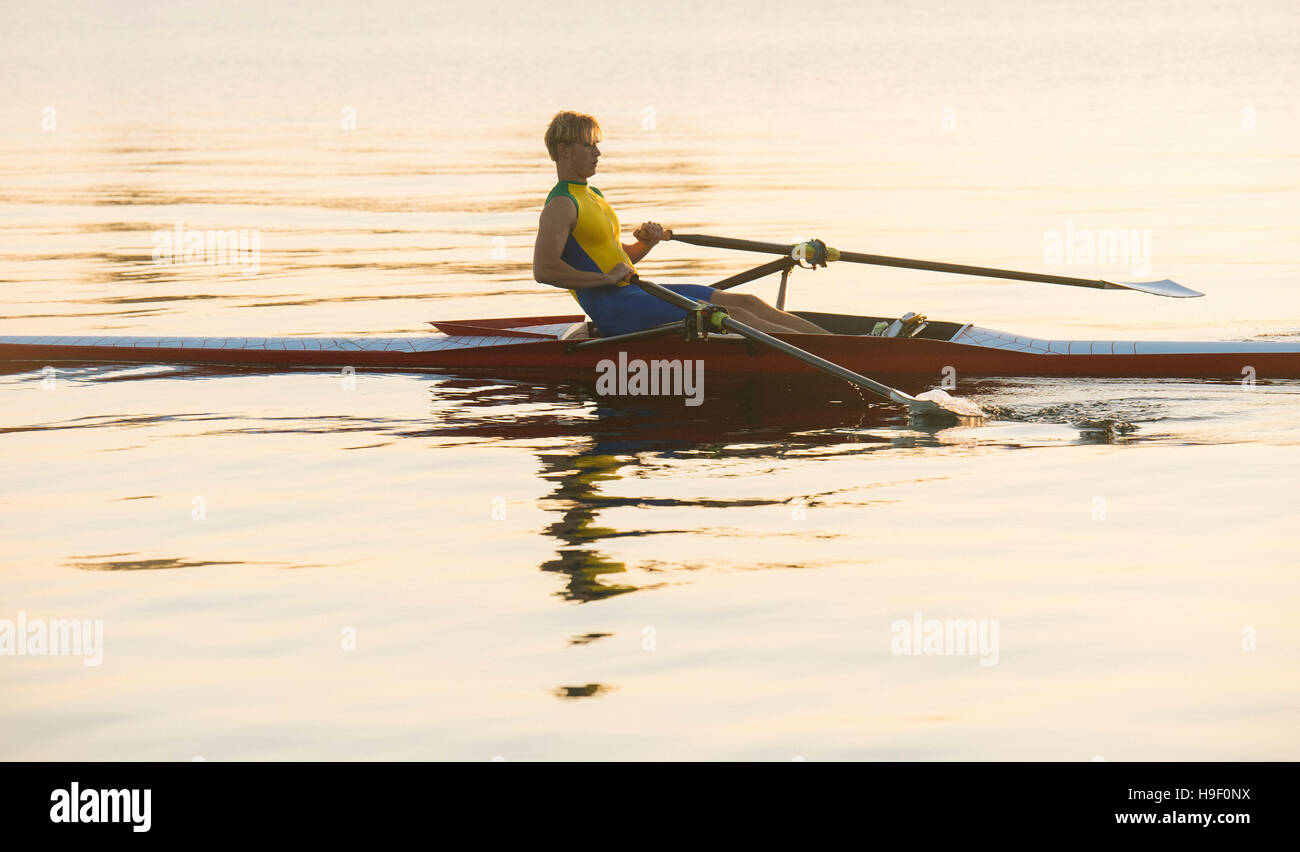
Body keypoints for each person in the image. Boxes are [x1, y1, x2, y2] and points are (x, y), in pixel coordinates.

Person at [532, 111, 829, 337]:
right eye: (589, 146)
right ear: (564, 151)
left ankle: (844, 342)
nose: (598, 153)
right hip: (616, 309)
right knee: (730, 313)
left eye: (597, 145)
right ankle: (832, 355)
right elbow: (544, 270)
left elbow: (617, 257)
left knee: (747, 301)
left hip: (635, 293)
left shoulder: (591, 195)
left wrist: (645, 244)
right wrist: (606, 280)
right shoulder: (560, 205)